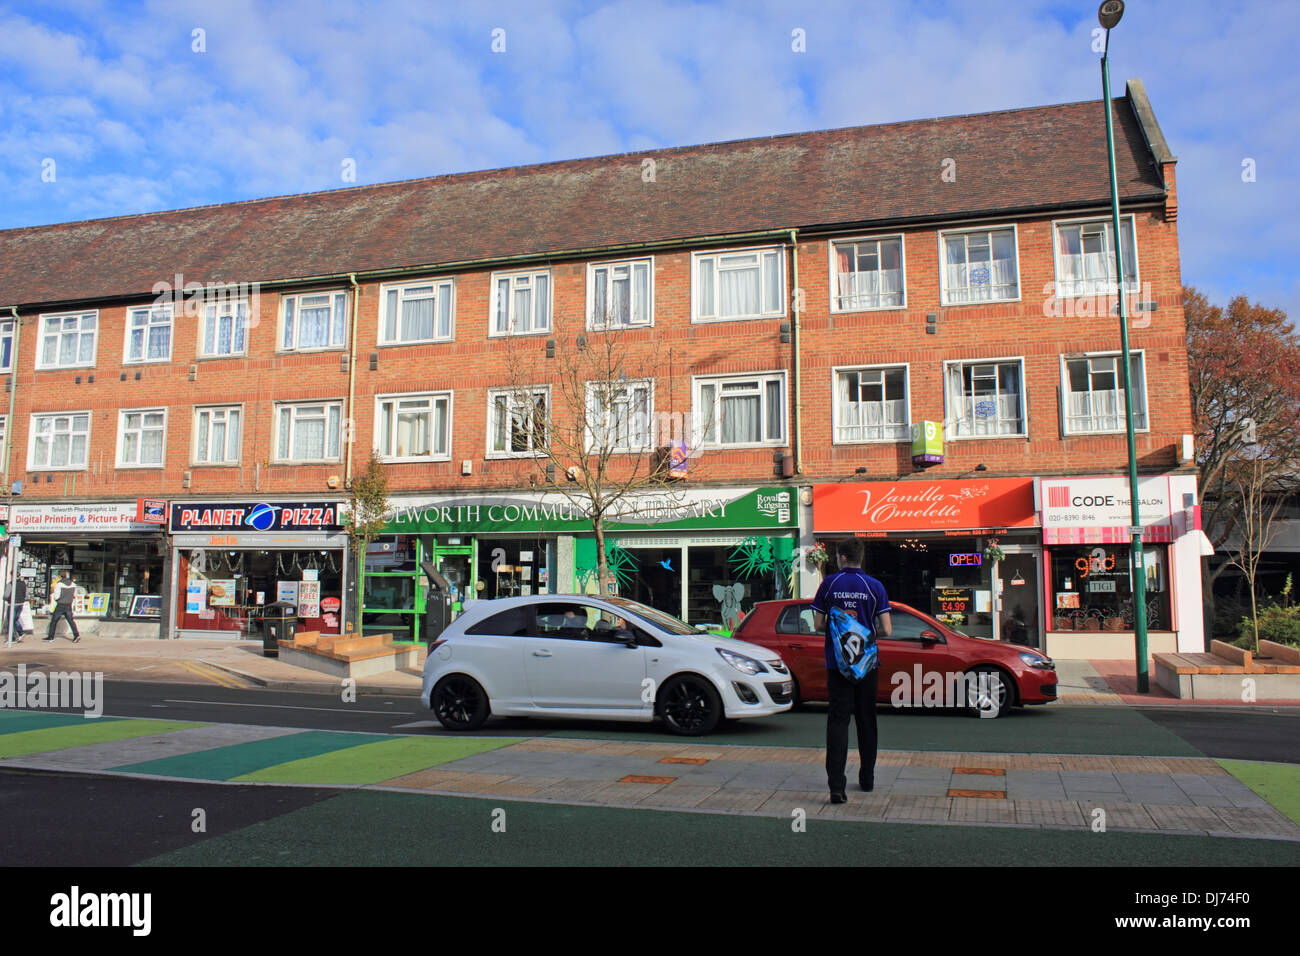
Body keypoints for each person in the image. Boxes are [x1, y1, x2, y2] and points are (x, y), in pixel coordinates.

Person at [811, 538, 891, 804]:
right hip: (867, 664)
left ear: (842, 557)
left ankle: (836, 786)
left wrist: (842, 628)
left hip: (838, 664)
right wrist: (865, 631)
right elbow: (887, 630)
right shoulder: (874, 586)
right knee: (867, 720)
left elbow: (819, 624)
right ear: (860, 557)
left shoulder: (829, 584)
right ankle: (866, 778)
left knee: (838, 721)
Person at [44, 571, 81, 644]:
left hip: (61, 604)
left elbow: (56, 596)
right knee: (71, 620)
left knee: (54, 621)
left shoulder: (59, 584)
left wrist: (57, 600)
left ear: (60, 576)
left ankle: (51, 637)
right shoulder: (73, 584)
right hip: (68, 604)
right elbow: (75, 595)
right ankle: (76, 635)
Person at [5, 576, 30, 643]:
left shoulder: (11, 583)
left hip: (13, 604)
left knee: (11, 620)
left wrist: (6, 599)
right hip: (21, 604)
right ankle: (21, 632)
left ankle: (12, 638)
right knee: (15, 619)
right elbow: (26, 593)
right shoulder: (23, 583)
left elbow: (6, 595)